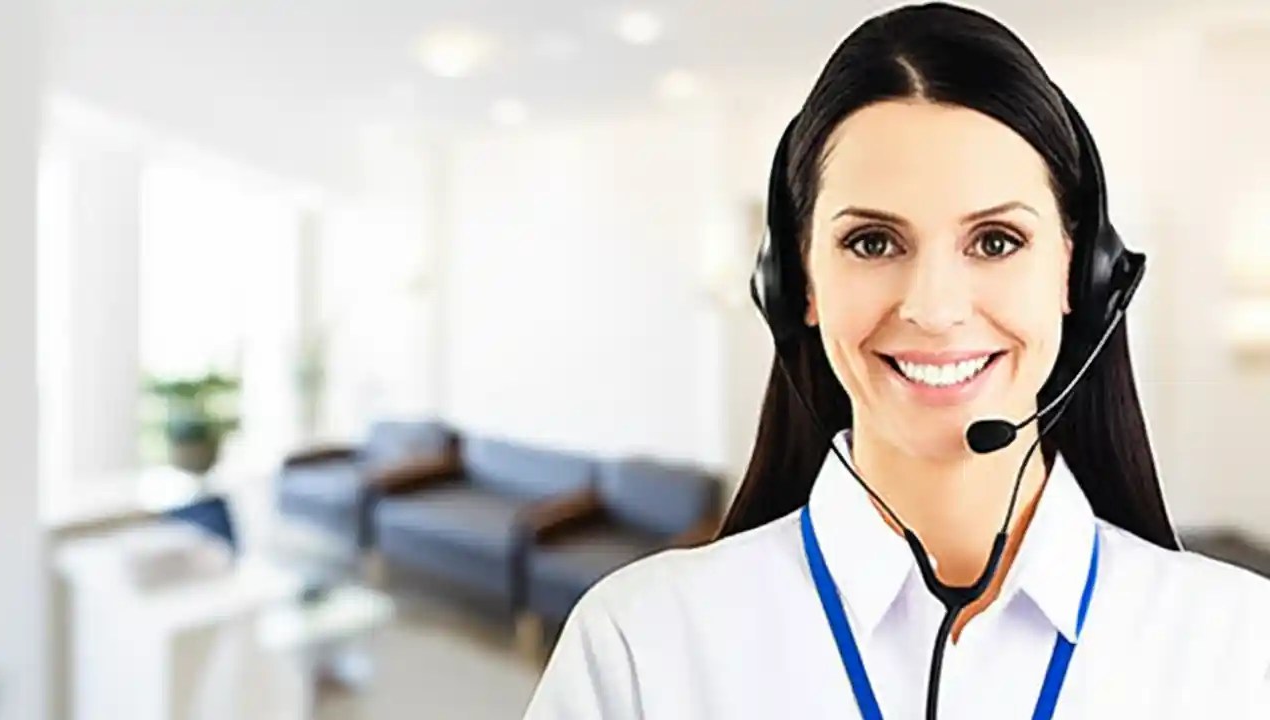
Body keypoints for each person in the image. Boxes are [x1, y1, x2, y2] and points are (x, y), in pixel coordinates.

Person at [522, 3, 1270, 718]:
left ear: (1079, 276)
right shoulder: (642, 648)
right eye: (874, 242)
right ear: (798, 284)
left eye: (996, 241)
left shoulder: (1237, 645)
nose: (934, 308)